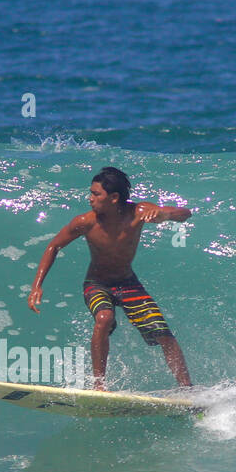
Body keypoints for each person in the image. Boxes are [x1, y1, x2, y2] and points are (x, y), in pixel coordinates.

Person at [27, 167, 192, 390]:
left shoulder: (139, 212)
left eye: (96, 194)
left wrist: (165, 215)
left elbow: (185, 214)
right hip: (97, 284)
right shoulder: (85, 222)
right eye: (91, 193)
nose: (90, 198)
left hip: (128, 283)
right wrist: (37, 286)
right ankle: (99, 386)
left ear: (114, 198)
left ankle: (187, 389)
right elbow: (54, 245)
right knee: (104, 318)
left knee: (163, 334)